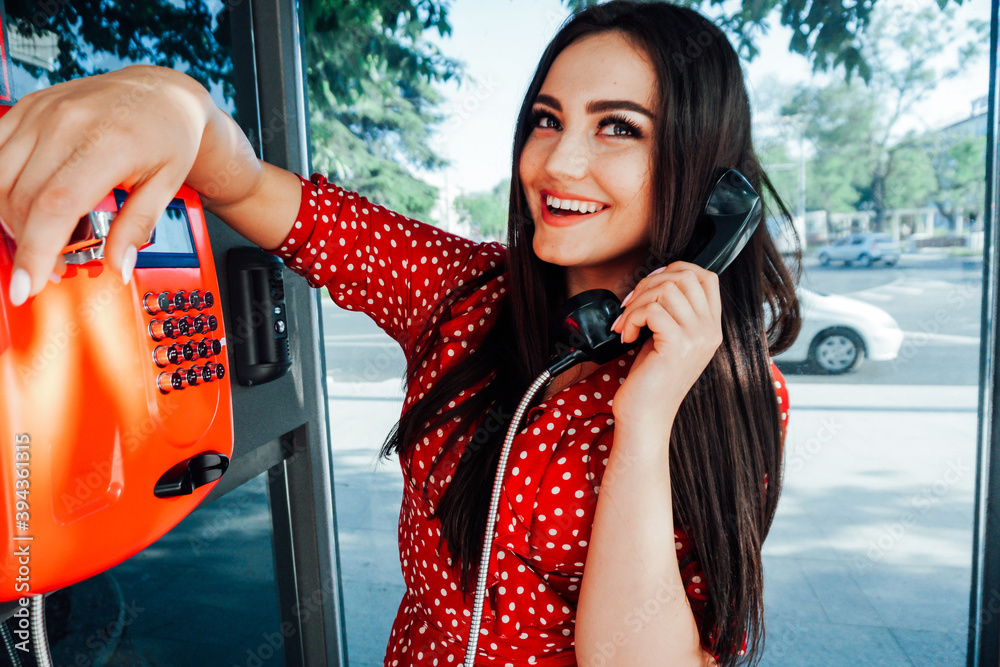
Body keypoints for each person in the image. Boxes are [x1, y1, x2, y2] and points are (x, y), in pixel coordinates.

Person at [0, 1, 801, 664]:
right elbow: (260, 192)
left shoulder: (733, 390)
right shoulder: (466, 294)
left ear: (703, 171)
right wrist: (178, 106)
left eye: (618, 128)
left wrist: (648, 414)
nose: (558, 163)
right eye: (547, 120)